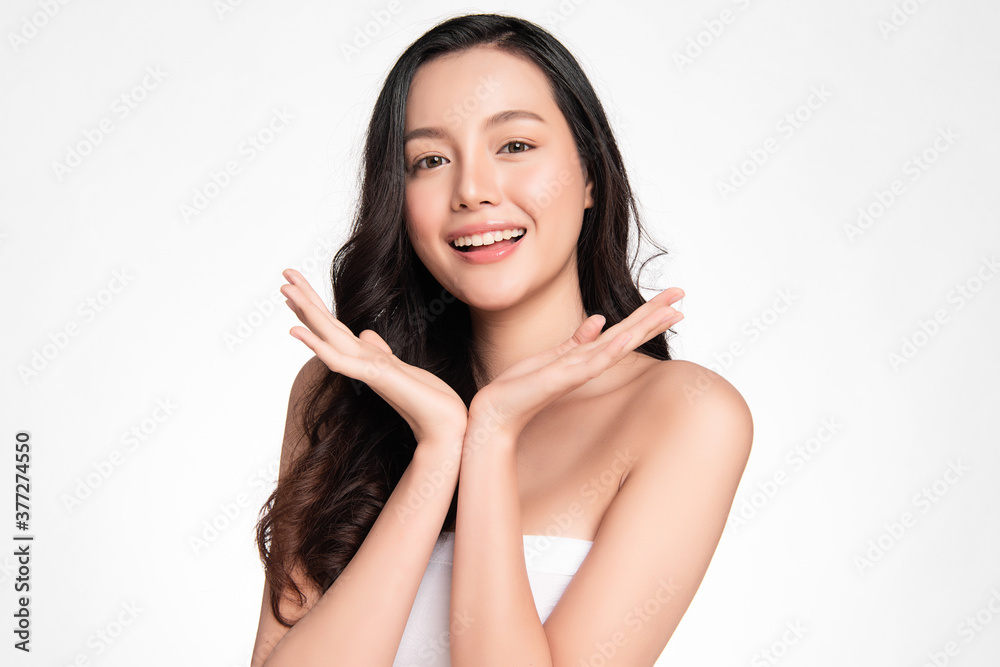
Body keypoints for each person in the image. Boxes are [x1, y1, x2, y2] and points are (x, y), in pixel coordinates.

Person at [250, 12, 752, 666]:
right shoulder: (341, 392)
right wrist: (439, 448)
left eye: (514, 146)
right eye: (429, 160)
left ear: (592, 173)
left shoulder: (685, 414)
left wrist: (489, 437)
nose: (473, 191)